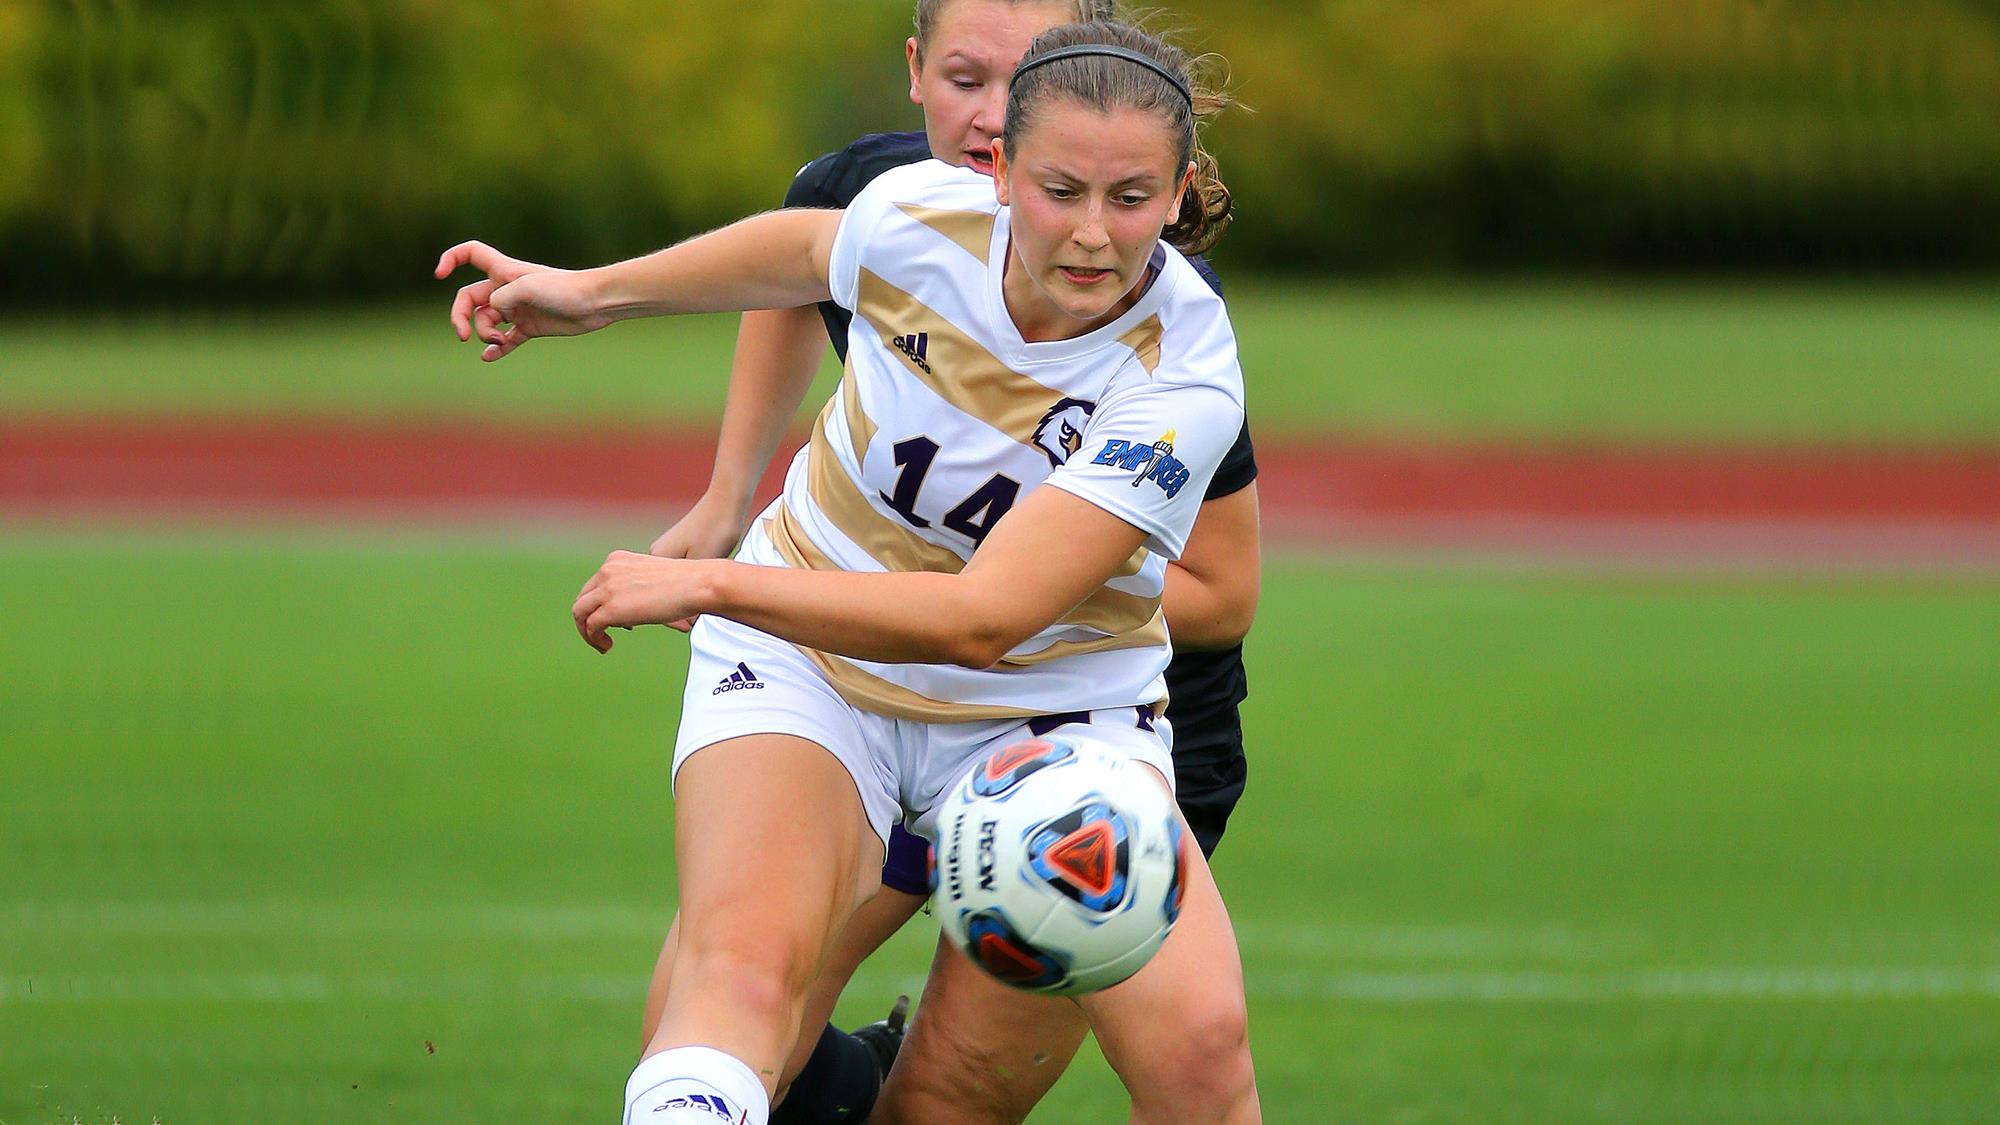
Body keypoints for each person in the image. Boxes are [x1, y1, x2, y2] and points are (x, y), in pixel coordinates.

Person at [439, 21, 1261, 1125]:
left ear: (1175, 198)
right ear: (1005, 173)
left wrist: (712, 581)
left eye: (1128, 198)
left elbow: (984, 619)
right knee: (734, 982)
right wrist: (587, 297)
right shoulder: (919, 210)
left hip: (1051, 721)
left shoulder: (1185, 372)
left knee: (1181, 1060)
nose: (1090, 234)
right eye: (1060, 189)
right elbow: (802, 254)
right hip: (813, 666)